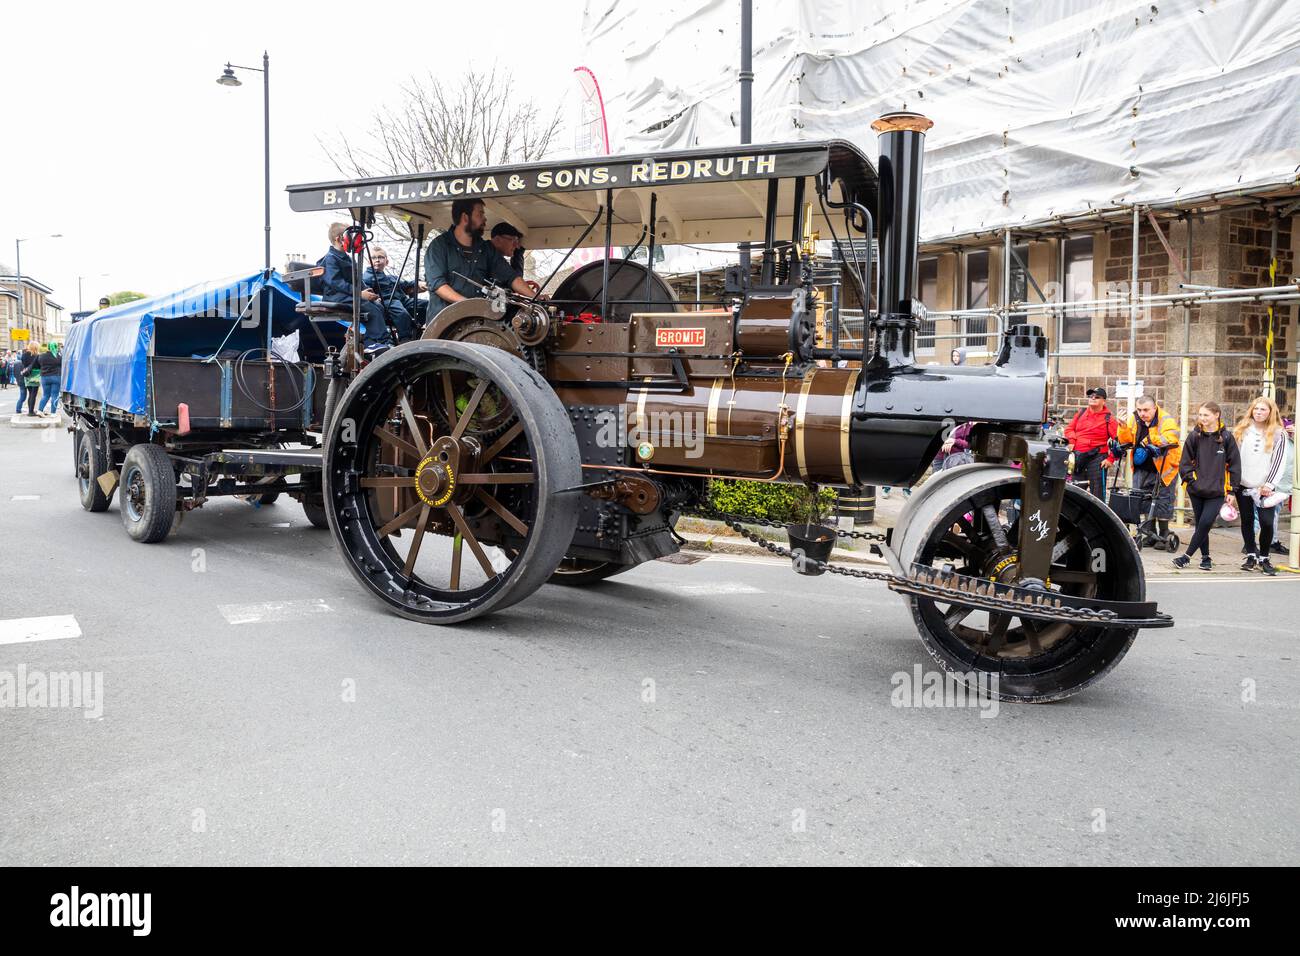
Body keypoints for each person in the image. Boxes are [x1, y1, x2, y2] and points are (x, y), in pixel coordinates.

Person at [424, 198, 541, 321]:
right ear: (465, 217)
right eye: (480, 213)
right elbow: (438, 285)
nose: (485, 219)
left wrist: (536, 298)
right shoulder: (439, 246)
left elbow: (511, 277)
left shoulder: (486, 249)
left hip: (476, 321)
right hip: (444, 323)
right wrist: (469, 305)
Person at [1172, 401, 1241, 571]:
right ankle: (1205, 558)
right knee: (1201, 524)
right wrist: (1190, 481)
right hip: (1196, 490)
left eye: (1206, 415)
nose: (1202, 418)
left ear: (1216, 415)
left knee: (1205, 523)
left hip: (1217, 490)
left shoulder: (1226, 437)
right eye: (1200, 414)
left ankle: (1186, 557)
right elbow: (1184, 462)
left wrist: (1232, 489)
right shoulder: (1194, 436)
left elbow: (1235, 465)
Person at [1232, 395, 1291, 575]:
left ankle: (1264, 557)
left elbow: (1279, 461)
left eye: (1263, 409)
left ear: (1270, 412)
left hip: (1264, 486)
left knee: (1266, 523)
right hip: (1243, 484)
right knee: (1247, 520)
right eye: (1256, 409)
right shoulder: (1242, 430)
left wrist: (1270, 484)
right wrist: (1234, 482)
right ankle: (1251, 555)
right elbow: (1234, 458)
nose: (1258, 413)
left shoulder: (1279, 434)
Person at [317, 223, 393, 354]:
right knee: (367, 307)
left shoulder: (348, 258)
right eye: (350, 236)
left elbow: (358, 280)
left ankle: (371, 342)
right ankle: (382, 341)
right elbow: (336, 283)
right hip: (335, 296)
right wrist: (359, 294)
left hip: (348, 295)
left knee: (378, 306)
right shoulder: (330, 259)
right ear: (339, 238)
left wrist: (369, 293)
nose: (354, 240)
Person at [1117, 395, 1182, 549]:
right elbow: (1127, 441)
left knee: (1163, 499)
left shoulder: (1166, 420)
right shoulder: (1134, 419)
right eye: (1139, 410)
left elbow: (1171, 439)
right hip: (1142, 466)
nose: (1142, 413)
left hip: (1164, 466)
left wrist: (1149, 438)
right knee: (1144, 499)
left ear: (1154, 407)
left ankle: (1164, 533)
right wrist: (1123, 427)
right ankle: (1150, 533)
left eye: (1146, 410)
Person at [1064, 386, 1119, 504]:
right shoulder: (1081, 413)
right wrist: (1072, 441)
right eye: (1090, 396)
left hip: (1097, 459)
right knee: (1075, 491)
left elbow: (1118, 442)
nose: (1093, 398)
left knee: (1097, 495)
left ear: (1103, 401)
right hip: (1078, 457)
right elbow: (1069, 429)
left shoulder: (1109, 419)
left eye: (1097, 397)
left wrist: (1111, 459)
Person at [362, 246, 426, 342]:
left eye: (380, 257)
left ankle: (416, 327)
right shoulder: (368, 276)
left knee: (426, 304)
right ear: (368, 261)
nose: (377, 260)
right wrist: (375, 299)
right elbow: (366, 290)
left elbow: (406, 284)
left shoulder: (392, 278)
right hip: (388, 302)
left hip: (403, 300)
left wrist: (419, 283)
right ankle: (405, 338)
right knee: (401, 313)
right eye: (373, 258)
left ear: (386, 262)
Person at [34, 341, 62, 417]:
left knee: (46, 395)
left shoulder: (41, 356)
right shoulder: (58, 356)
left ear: (48, 347)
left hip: (44, 377)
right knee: (54, 395)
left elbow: (38, 365)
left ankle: (40, 410)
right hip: (56, 377)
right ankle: (53, 413)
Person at [18, 346, 40, 416]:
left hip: (27, 375)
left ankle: (30, 410)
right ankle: (31, 412)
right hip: (35, 375)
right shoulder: (37, 355)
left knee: (30, 393)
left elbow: (23, 364)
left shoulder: (24, 355)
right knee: (33, 394)